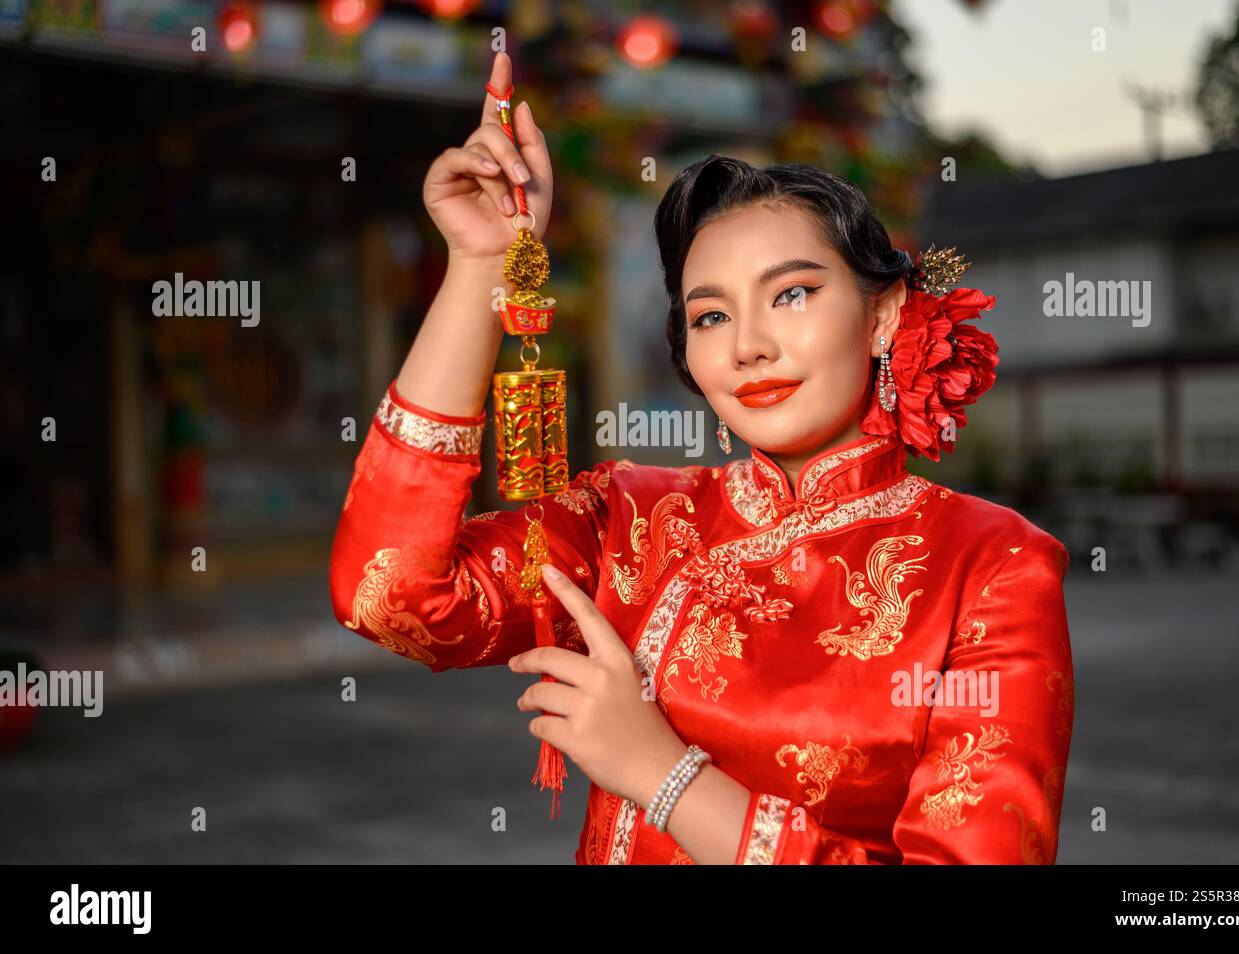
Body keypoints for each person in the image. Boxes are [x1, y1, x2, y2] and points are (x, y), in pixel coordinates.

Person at [329, 51, 1074, 865]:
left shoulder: (991, 566)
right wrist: (479, 268)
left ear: (886, 313)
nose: (750, 346)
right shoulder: (630, 517)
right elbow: (387, 593)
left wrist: (662, 774)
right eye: (711, 316)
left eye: (792, 294)